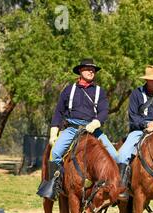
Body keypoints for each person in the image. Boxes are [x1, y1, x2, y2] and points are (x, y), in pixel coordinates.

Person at [37, 58, 118, 200]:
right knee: (55, 153)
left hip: (93, 130)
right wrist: (53, 133)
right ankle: (54, 186)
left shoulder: (99, 91)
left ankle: (116, 188)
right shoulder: (69, 90)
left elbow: (104, 110)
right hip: (72, 128)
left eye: (93, 69)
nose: (91, 71)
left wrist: (96, 122)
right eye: (87, 69)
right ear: (80, 71)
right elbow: (58, 112)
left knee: (115, 155)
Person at [116, 65, 153, 198]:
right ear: (147, 80)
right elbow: (133, 115)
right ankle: (122, 186)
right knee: (123, 154)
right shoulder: (136, 93)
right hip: (139, 130)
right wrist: (146, 124)